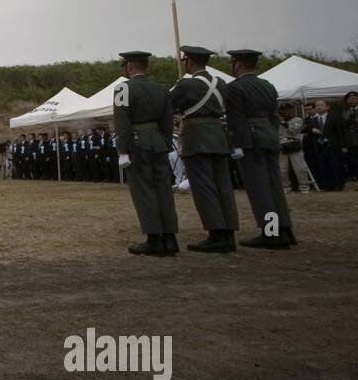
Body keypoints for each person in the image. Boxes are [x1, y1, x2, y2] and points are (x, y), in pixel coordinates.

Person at [169, 46, 239, 252]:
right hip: (218, 136)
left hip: (197, 136)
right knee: (223, 186)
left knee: (203, 187)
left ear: (189, 62)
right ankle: (229, 232)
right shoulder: (222, 84)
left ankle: (216, 233)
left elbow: (171, 104)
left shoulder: (186, 84)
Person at [225, 49, 294, 248]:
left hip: (250, 140)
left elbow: (235, 120)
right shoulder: (268, 86)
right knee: (275, 187)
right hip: (269, 138)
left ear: (237, 64)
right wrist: (270, 133)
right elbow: (274, 116)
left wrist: (237, 144)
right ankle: (285, 229)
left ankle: (270, 232)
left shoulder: (235, 88)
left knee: (260, 189)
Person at [114, 51, 178, 256]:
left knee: (144, 191)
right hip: (158, 142)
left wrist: (123, 150)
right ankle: (170, 238)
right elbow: (168, 122)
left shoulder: (123, 88)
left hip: (137, 143)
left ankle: (154, 239)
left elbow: (122, 121)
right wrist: (165, 143)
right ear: (146, 67)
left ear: (129, 67)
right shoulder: (161, 89)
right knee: (164, 190)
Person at [303, 99, 344, 191]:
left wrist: (343, 146)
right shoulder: (313, 120)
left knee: (335, 166)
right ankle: (327, 186)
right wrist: (311, 130)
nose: (319, 107)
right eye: (317, 105)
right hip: (319, 147)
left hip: (333, 146)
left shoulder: (334, 117)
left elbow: (341, 132)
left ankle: (338, 185)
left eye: (321, 105)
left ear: (327, 107)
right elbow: (306, 130)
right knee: (323, 166)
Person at [276, 104, 314, 193]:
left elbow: (293, 131)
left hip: (293, 143)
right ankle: (286, 187)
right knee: (282, 169)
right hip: (281, 145)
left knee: (300, 168)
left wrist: (282, 122)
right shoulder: (277, 121)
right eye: (282, 110)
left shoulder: (298, 119)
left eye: (287, 110)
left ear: (291, 110)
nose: (285, 112)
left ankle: (304, 186)